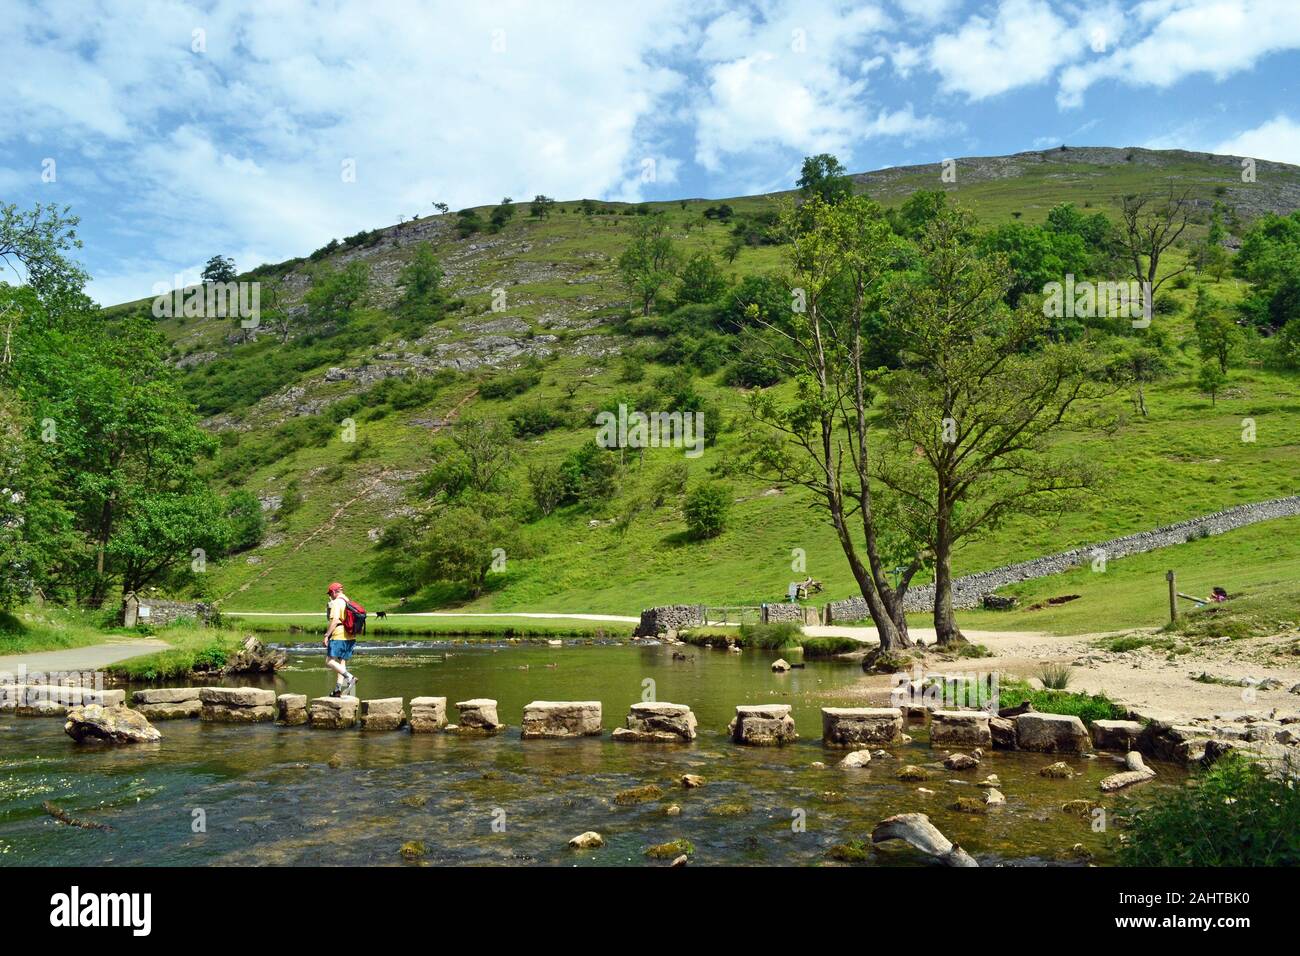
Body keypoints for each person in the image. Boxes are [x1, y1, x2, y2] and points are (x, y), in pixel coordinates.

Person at [324, 581, 359, 697]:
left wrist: (327, 635)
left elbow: (334, 621)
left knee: (329, 661)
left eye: (330, 593)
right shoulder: (348, 601)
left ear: (334, 592)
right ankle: (338, 689)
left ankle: (350, 677)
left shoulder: (337, 602)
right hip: (351, 635)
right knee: (342, 662)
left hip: (339, 635)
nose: (330, 596)